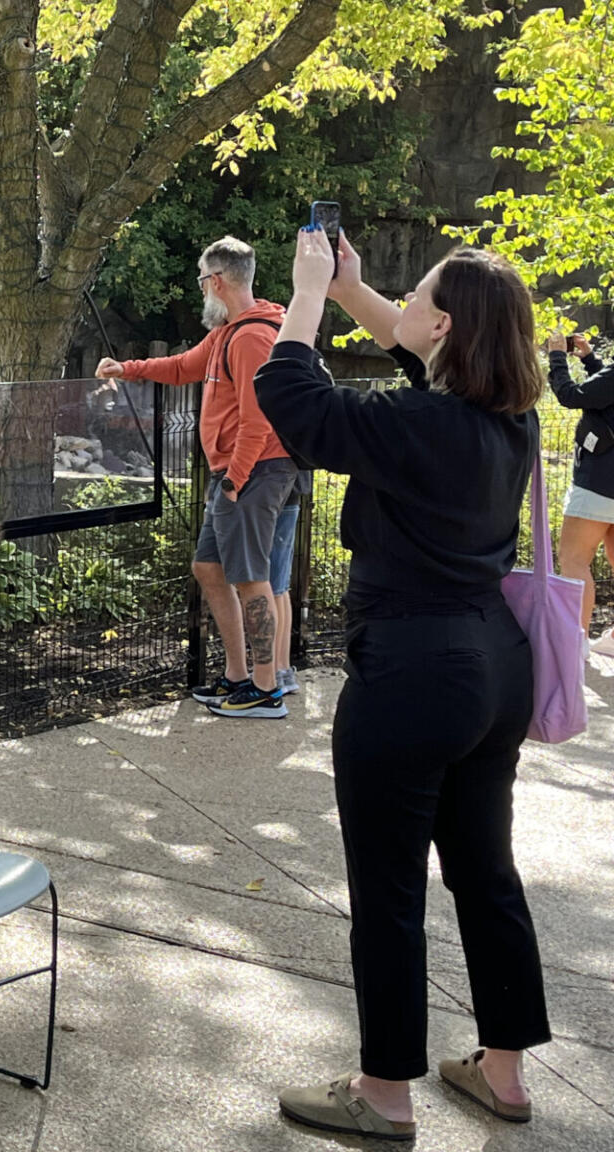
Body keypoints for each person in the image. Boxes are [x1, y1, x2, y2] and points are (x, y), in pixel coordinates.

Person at [258, 229, 551, 1141]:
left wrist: (306, 293)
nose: (406, 308)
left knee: (389, 888)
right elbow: (414, 346)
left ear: (447, 326)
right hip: (496, 669)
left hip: (413, 673)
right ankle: (502, 1071)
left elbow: (290, 399)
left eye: (417, 297)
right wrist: (353, 289)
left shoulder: (414, 424)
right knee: (484, 869)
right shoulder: (512, 417)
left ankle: (384, 1091)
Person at [97, 236, 296, 718]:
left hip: (252, 473)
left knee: (251, 579)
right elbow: (184, 365)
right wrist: (126, 369)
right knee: (209, 569)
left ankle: (266, 690)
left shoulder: (251, 338)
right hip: (235, 473)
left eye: (202, 280)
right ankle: (237, 677)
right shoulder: (228, 332)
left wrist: (233, 481)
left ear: (217, 281)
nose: (201, 289)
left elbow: (257, 420)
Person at [546, 331, 614, 655]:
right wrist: (589, 360)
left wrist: (558, 356)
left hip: (598, 485)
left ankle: (577, 642)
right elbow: (605, 391)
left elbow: (570, 395)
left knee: (574, 560)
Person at [269, 473, 312, 695]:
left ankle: (275, 673)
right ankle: (282, 668)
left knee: (272, 588)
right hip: (290, 493)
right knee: (280, 588)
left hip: (276, 493)